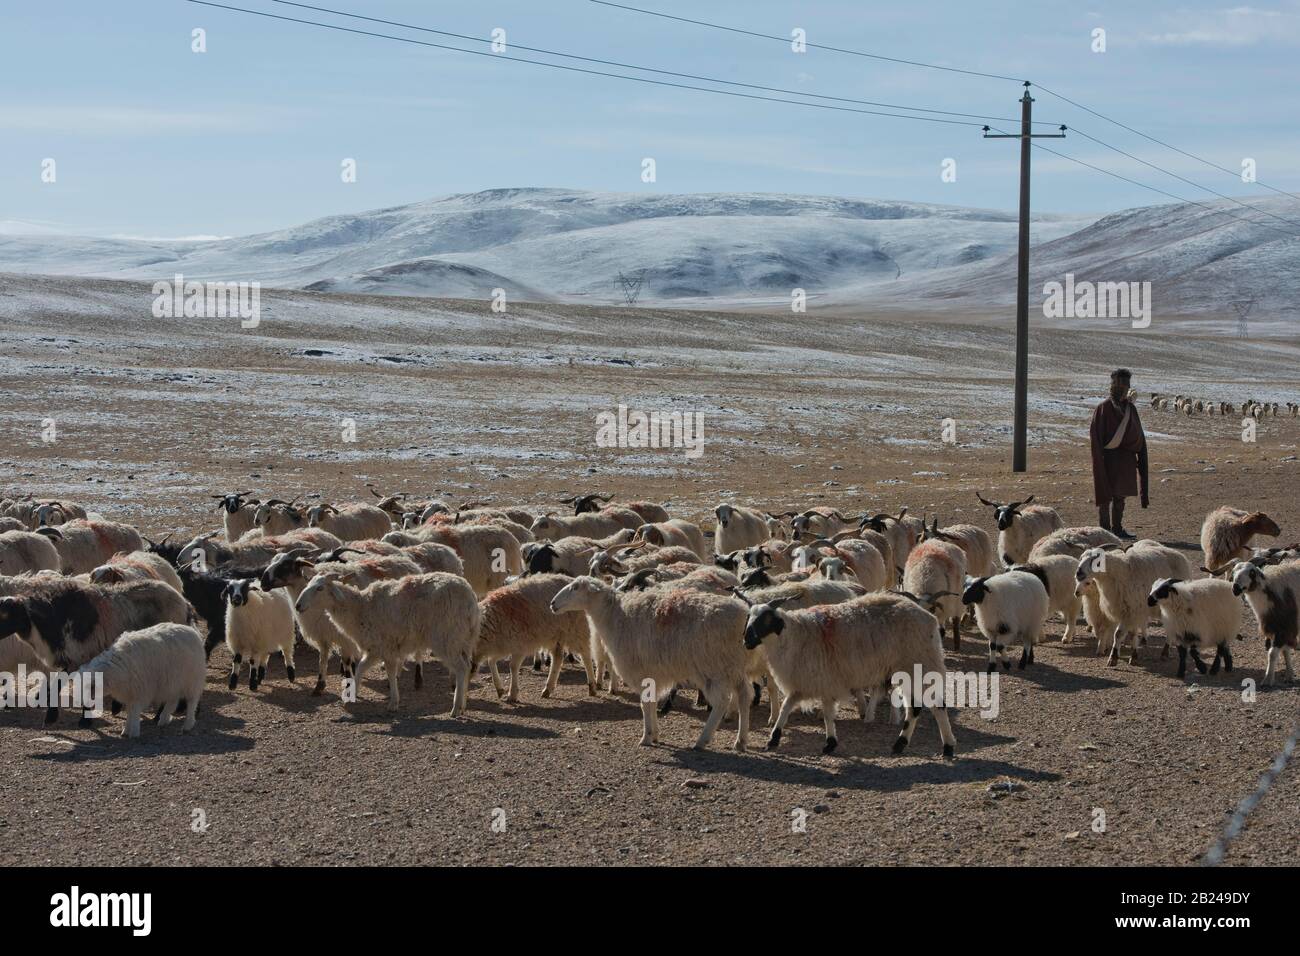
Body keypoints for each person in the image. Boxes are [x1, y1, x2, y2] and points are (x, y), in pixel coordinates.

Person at [1089, 368, 1148, 539]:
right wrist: (1098, 462)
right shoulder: (1103, 409)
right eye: (1121, 385)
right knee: (1106, 497)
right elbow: (1096, 438)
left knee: (1120, 497)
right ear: (1114, 386)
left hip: (1126, 461)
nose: (1124, 389)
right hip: (1108, 460)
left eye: (1126, 385)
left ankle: (1118, 529)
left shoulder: (1130, 409)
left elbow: (1139, 436)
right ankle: (1105, 531)